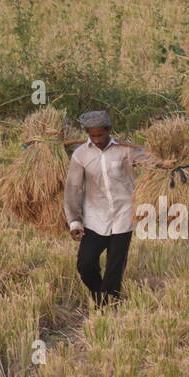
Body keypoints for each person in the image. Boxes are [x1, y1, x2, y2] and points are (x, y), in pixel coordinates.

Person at [63, 110, 150, 307]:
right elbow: (73, 189)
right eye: (92, 136)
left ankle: (108, 305)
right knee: (85, 265)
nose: (96, 140)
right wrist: (74, 220)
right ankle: (101, 297)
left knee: (114, 268)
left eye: (100, 135)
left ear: (108, 130)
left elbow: (149, 162)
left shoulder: (125, 149)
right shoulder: (80, 155)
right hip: (95, 218)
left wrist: (167, 160)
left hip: (123, 216)